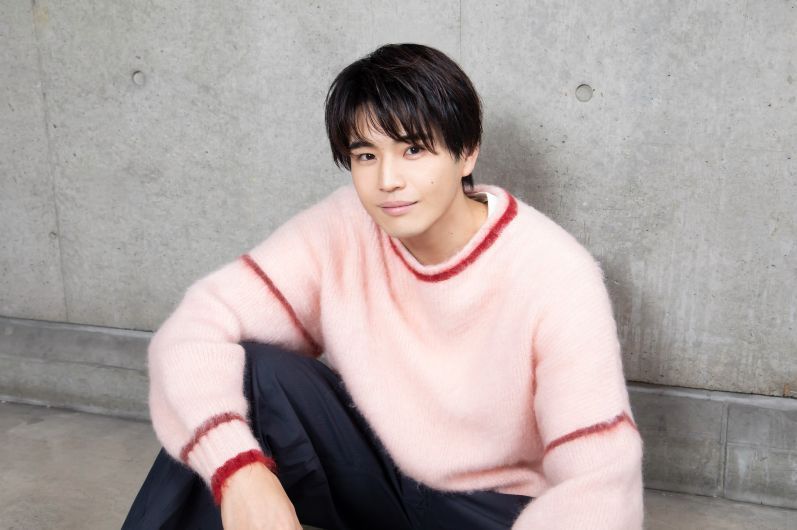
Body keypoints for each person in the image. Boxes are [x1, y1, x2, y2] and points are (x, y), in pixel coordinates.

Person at [122, 43, 644, 530]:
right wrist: (238, 470)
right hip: (382, 473)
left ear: (466, 153)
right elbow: (192, 332)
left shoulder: (555, 273)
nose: (387, 180)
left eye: (413, 150)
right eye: (366, 155)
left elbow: (600, 477)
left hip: (495, 508)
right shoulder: (343, 226)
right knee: (246, 375)